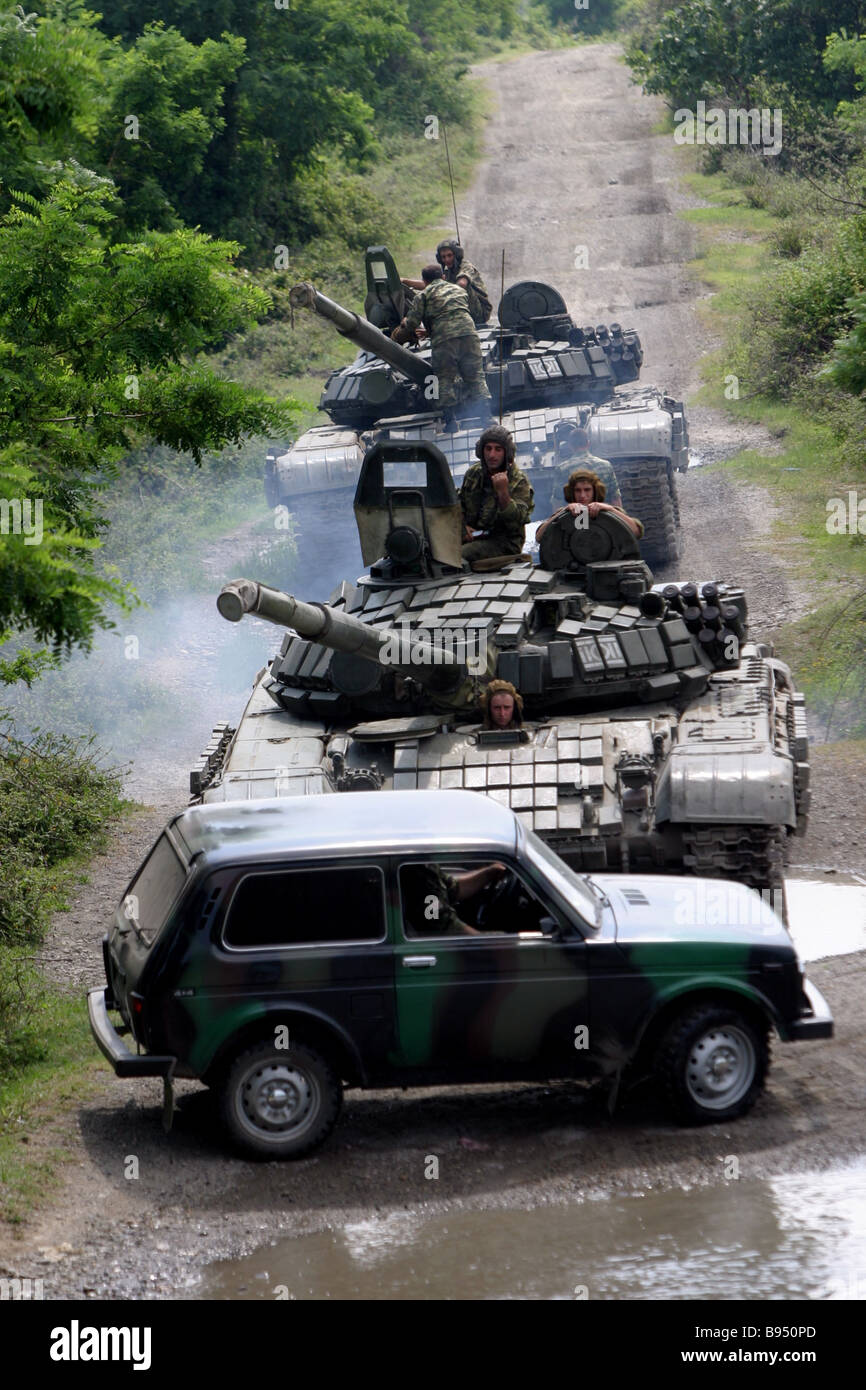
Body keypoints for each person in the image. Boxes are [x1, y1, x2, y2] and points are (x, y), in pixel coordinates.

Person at [391, 265, 490, 423]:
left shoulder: (423, 296)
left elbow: (412, 324)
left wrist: (401, 329)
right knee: (476, 375)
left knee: (444, 379)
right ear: (443, 277)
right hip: (469, 335)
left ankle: (450, 422)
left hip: (444, 340)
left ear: (424, 281)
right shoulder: (459, 290)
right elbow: (457, 313)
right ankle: (487, 417)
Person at [460, 423, 534, 562]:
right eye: (488, 449)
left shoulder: (519, 481)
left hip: (504, 543)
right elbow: (459, 504)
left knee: (460, 555)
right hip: (472, 535)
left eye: (498, 449)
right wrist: (463, 527)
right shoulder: (474, 474)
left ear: (508, 453)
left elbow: (516, 521)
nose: (491, 455)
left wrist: (503, 492)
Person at [401, 861, 509, 937]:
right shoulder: (416, 876)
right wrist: (490, 942)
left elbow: (452, 888)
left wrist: (489, 874)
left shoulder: (423, 864)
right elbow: (443, 926)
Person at [536, 468, 643, 543]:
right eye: (578, 490)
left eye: (587, 490)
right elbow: (539, 537)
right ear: (572, 492)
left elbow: (636, 532)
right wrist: (563, 512)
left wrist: (610, 509)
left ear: (595, 491)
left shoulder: (609, 511)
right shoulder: (564, 513)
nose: (582, 495)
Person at [402, 240, 492, 327]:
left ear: (456, 255)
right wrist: (405, 281)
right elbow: (430, 285)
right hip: (464, 309)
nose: (447, 259)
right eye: (443, 257)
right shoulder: (447, 271)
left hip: (480, 312)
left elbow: (462, 284)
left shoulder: (466, 266)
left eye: (450, 255)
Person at [548, 424, 624, 514]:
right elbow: (616, 499)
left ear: (571, 446)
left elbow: (557, 504)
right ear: (588, 443)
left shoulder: (562, 469)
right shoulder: (606, 465)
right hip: (604, 520)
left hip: (578, 520)